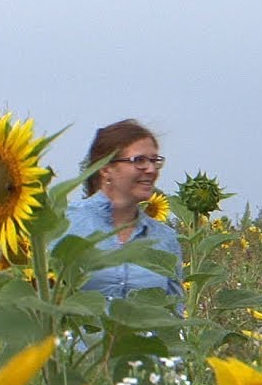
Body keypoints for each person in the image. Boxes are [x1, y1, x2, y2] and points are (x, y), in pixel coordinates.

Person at [65, 120, 183, 318]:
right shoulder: (67, 224)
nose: (152, 170)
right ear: (106, 169)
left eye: (155, 161)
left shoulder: (164, 239)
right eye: (139, 160)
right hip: (80, 348)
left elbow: (173, 315)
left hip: (144, 348)